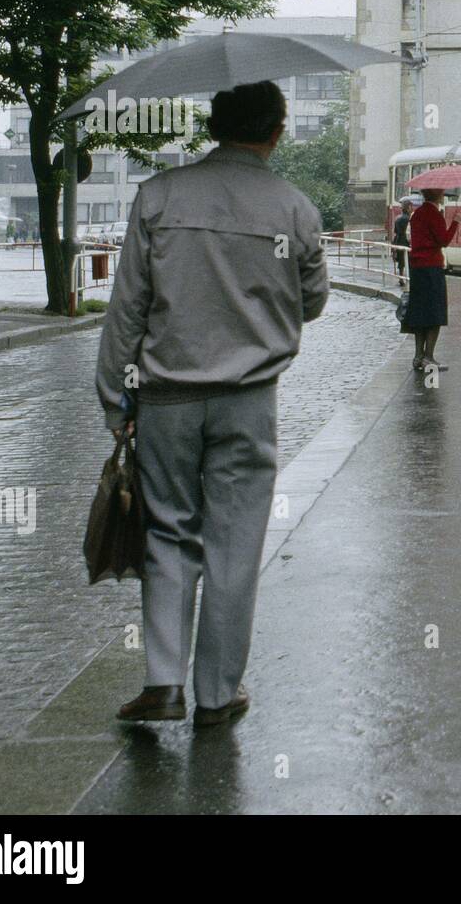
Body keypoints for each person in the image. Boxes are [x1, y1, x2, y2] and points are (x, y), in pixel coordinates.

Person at [95, 80, 328, 728]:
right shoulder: (295, 209)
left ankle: (162, 682)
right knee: (233, 544)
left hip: (168, 398)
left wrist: (118, 398)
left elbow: (128, 310)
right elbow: (312, 301)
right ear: (277, 132)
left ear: (214, 127)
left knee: (169, 534)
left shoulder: (159, 197)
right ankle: (218, 695)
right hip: (250, 401)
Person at [400, 186, 458, 371]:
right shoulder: (434, 214)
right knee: (435, 313)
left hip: (417, 268)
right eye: (442, 192)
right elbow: (444, 240)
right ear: (438, 195)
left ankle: (418, 356)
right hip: (432, 267)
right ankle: (429, 357)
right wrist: (455, 223)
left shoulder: (416, 214)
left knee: (419, 312)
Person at [391, 197, 416, 285]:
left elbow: (395, 232)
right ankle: (408, 278)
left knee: (401, 261)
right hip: (406, 241)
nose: (412, 208)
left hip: (398, 240)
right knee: (409, 260)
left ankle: (401, 278)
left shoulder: (398, 218)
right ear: (408, 207)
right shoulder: (409, 219)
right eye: (411, 207)